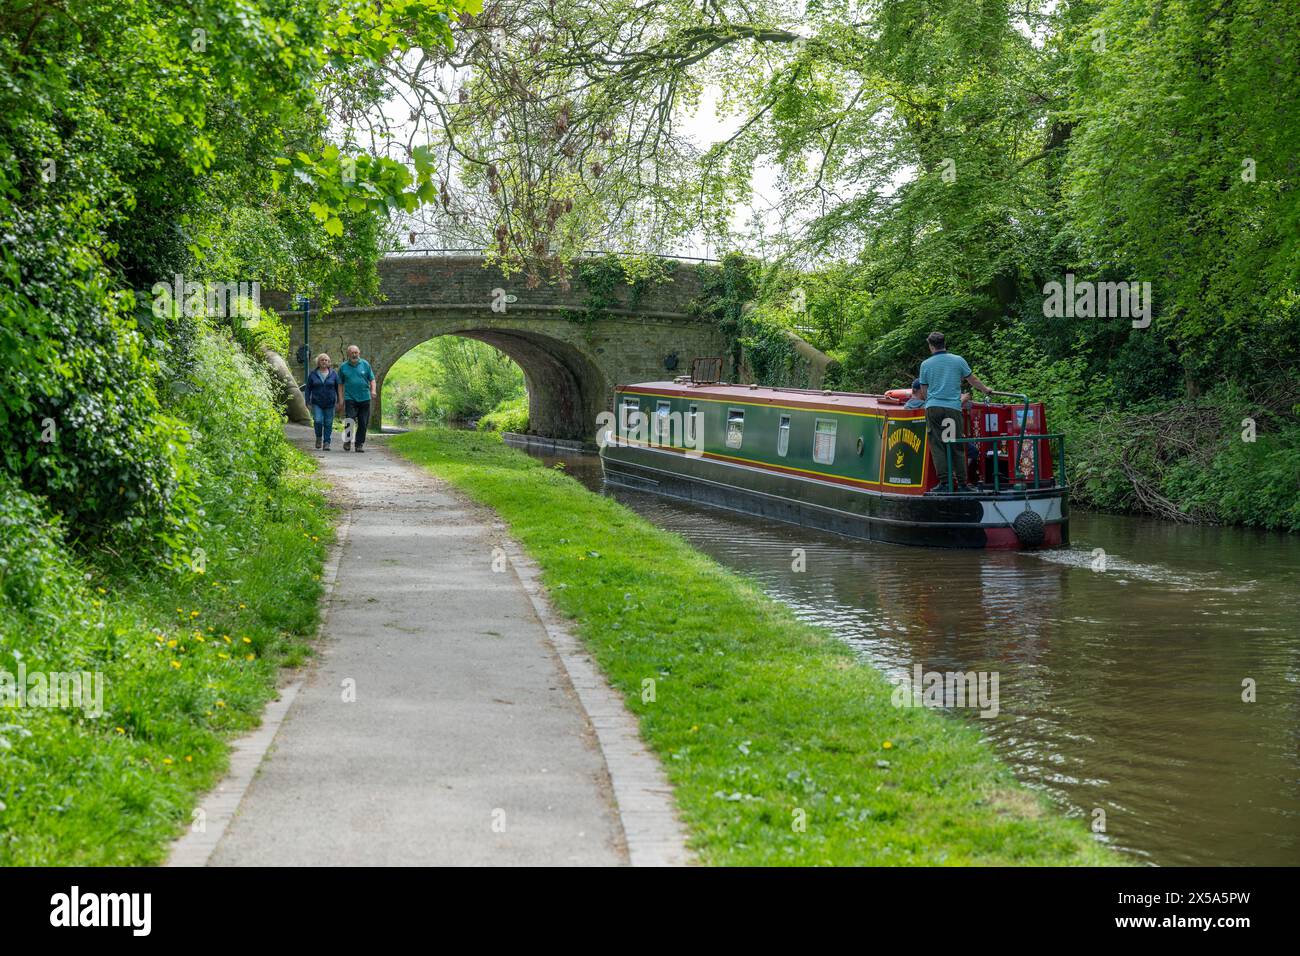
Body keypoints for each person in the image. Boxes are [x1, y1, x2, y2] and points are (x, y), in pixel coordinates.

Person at [916, 331, 992, 492]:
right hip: (953, 408)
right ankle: (963, 483)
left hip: (934, 408)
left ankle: (944, 483)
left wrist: (932, 400)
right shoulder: (958, 361)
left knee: (938, 445)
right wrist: (986, 390)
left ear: (931, 346)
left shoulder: (925, 365)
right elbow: (973, 380)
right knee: (955, 444)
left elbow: (924, 390)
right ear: (945, 344)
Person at [337, 344, 376, 453]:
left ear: (359, 353)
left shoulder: (365, 364)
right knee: (350, 420)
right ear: (348, 354)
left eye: (356, 353)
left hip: (365, 398)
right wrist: (341, 399)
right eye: (352, 353)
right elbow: (340, 384)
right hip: (350, 398)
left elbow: (372, 379)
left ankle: (359, 444)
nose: (354, 355)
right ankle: (348, 441)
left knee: (363, 422)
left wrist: (373, 390)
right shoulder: (343, 367)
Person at [304, 353, 342, 451]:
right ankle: (319, 438)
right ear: (318, 362)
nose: (324, 362)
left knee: (328, 423)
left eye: (326, 360)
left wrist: (339, 401)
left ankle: (326, 443)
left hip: (330, 403)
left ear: (329, 362)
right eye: (322, 360)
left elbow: (338, 388)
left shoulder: (333, 374)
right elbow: (308, 389)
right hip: (317, 403)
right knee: (318, 421)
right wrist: (307, 401)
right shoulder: (313, 374)